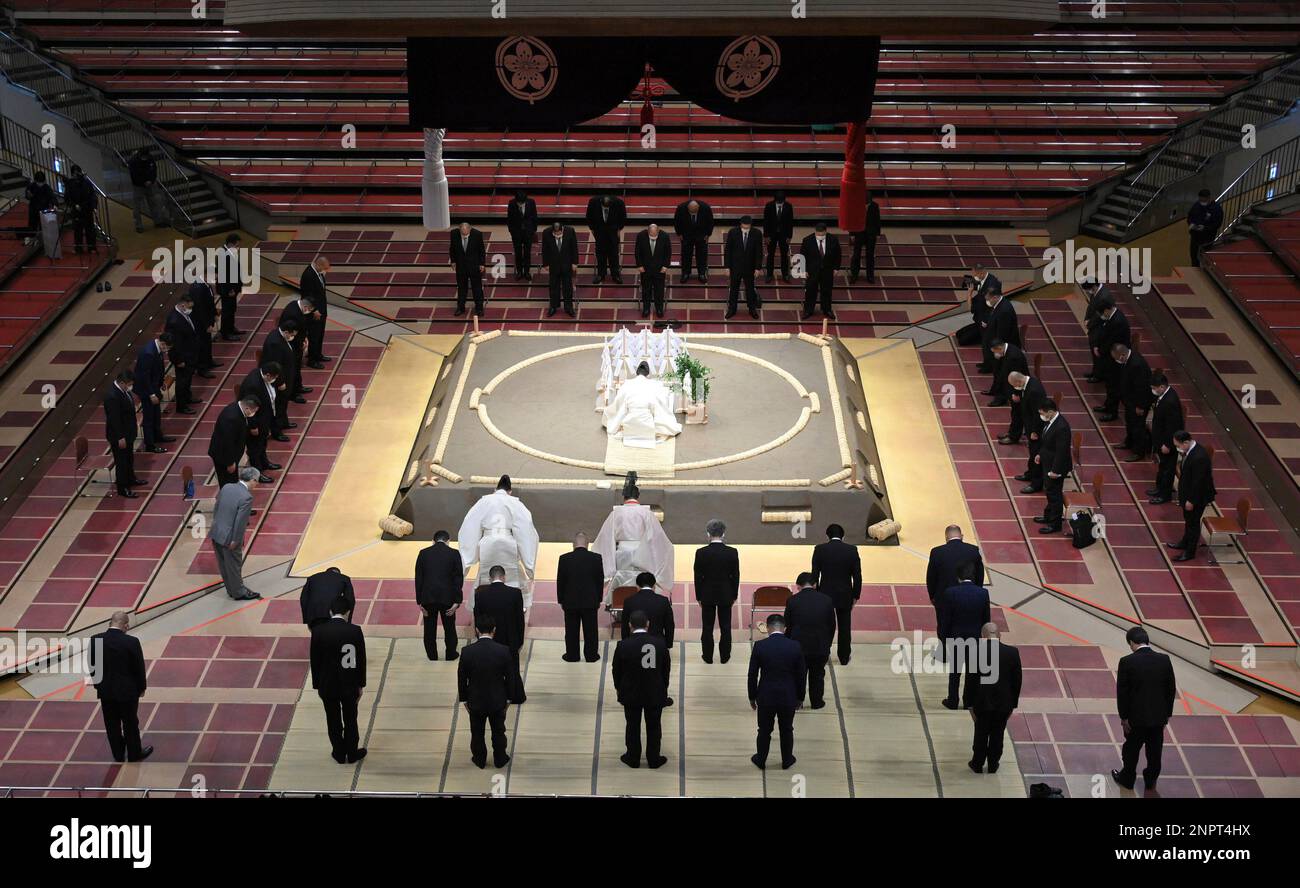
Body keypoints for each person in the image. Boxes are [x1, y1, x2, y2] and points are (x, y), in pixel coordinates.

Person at [457, 474, 539, 608]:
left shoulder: (484, 501)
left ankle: (484, 605)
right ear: (510, 492)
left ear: (494, 490)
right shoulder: (515, 503)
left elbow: (469, 525)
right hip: (508, 543)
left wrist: (467, 560)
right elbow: (526, 529)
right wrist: (528, 564)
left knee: (486, 574)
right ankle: (515, 605)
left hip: (487, 543)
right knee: (513, 575)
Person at [1111, 627, 1176, 792]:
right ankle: (1150, 781)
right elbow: (1170, 690)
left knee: (1131, 750)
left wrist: (1124, 717)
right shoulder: (1164, 659)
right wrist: (1166, 715)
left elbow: (1122, 693)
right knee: (1155, 752)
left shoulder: (1127, 661)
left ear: (1132, 642)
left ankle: (1127, 779)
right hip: (1157, 718)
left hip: (1136, 718)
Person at [310, 594, 368, 764]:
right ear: (348, 612)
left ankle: (338, 752)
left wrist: (317, 685)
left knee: (333, 719)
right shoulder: (355, 631)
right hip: (349, 683)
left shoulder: (319, 631)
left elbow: (315, 660)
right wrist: (361, 684)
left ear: (330, 611)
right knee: (351, 719)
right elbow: (360, 659)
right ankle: (352, 752)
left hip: (327, 684)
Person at [88, 612, 152, 763]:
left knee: (112, 724)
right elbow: (138, 667)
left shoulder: (95, 640)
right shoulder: (131, 642)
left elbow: (92, 665)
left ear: (110, 623)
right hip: (128, 692)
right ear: (126, 625)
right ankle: (134, 754)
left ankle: (118, 754)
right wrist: (142, 687)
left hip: (106, 691)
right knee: (130, 723)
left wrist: (98, 685)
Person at [592, 483, 675, 600]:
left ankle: (620, 600)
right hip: (642, 551)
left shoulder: (616, 513)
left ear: (624, 496)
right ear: (638, 496)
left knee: (622, 577)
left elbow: (606, 537)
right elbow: (655, 537)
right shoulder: (647, 513)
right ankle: (643, 601)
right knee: (642, 578)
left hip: (622, 552)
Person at [612, 609, 671, 769]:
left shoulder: (623, 645)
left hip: (631, 692)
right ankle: (653, 759)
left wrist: (619, 688)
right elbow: (666, 670)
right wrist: (663, 688)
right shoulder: (660, 644)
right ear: (648, 624)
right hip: (654, 692)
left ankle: (633, 758)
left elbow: (616, 670)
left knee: (632, 726)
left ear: (630, 625)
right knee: (654, 726)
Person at [748, 613, 806, 770]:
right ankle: (787, 760)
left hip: (766, 696)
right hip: (788, 695)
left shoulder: (760, 646)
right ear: (785, 629)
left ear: (767, 628)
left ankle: (761, 759)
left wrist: (752, 697)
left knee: (764, 730)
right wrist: (800, 697)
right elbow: (801, 674)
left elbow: (752, 674)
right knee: (787, 729)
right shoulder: (795, 646)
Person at [963, 622, 1021, 774]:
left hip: (982, 703)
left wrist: (969, 705)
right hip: (1004, 703)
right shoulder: (1012, 653)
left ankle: (977, 763)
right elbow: (1017, 682)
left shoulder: (975, 652)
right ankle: (993, 763)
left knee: (981, 733)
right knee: (998, 733)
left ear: (983, 636)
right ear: (999, 635)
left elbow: (970, 681)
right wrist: (1013, 705)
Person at [457, 613, 512, 769]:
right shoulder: (503, 651)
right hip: (497, 700)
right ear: (494, 630)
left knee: (477, 733)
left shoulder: (467, 651)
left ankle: (479, 759)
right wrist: (508, 699)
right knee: (499, 731)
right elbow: (510, 677)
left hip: (475, 700)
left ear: (476, 630)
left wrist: (464, 700)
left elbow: (461, 678)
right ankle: (500, 758)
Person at [936, 561, 991, 709]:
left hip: (956, 638)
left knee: (955, 672)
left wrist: (943, 638)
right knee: (972, 672)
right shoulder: (983, 593)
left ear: (958, 577)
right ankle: (969, 701)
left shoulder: (951, 593)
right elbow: (986, 619)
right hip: (975, 638)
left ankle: (952, 700)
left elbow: (946, 619)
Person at [473, 565, 527, 704]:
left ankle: (491, 696)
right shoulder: (515, 593)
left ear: (490, 578)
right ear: (504, 577)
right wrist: (520, 641)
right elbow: (520, 620)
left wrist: (480, 638)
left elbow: (477, 618)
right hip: (510, 638)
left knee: (489, 669)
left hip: (489, 637)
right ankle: (515, 695)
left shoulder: (480, 595)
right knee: (512, 669)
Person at [810, 523, 861, 665]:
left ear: (827, 536)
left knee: (824, 626)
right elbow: (857, 576)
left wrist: (816, 594)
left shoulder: (819, 549)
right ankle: (844, 657)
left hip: (825, 594)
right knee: (845, 627)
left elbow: (815, 574)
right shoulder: (852, 550)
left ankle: (824, 653)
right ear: (843, 536)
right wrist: (856, 595)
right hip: (845, 594)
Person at [783, 573, 835, 709]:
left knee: (798, 674)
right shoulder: (827, 600)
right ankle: (817, 702)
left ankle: (797, 701)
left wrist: (788, 644)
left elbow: (787, 625)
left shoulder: (792, 601)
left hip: (798, 645)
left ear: (798, 586)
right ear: (815, 585)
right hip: (820, 645)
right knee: (817, 675)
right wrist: (827, 644)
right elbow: (832, 625)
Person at [209, 466, 261, 601]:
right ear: (252, 480)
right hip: (230, 537)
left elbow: (217, 508)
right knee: (234, 565)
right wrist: (235, 540)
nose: (257, 484)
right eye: (257, 481)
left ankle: (231, 589)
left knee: (223, 564)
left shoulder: (226, 487)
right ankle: (239, 592)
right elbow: (240, 522)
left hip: (217, 532)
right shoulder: (246, 497)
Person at [693, 519, 739, 664]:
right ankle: (725, 657)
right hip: (726, 594)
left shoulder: (701, 552)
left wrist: (698, 596)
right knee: (726, 627)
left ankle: (707, 657)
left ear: (708, 533)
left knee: (707, 627)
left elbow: (698, 576)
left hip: (707, 594)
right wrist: (734, 595)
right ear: (724, 533)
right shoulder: (732, 552)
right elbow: (735, 575)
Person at [601, 361, 682, 444]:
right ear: (648, 374)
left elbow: (618, 402)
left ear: (637, 373)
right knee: (659, 411)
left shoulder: (627, 384)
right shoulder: (655, 384)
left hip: (630, 423)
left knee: (618, 412)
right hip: (648, 424)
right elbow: (662, 401)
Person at [415, 530, 464, 661]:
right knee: (450, 629)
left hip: (428, 599)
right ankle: (451, 654)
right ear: (448, 541)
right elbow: (458, 579)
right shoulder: (454, 554)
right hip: (448, 599)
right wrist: (457, 601)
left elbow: (419, 578)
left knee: (429, 630)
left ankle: (432, 656)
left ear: (433, 540)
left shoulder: (423, 553)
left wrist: (420, 602)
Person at [1168, 431, 1215, 562]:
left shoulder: (1199, 457)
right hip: (1189, 492)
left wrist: (1191, 500)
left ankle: (1190, 552)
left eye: (1178, 445)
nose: (1178, 448)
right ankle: (1185, 542)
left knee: (1193, 523)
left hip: (1197, 498)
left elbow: (1198, 483)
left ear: (1186, 442)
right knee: (1188, 520)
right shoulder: (1190, 451)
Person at [556, 532, 603, 663]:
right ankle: (591, 655)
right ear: (587, 544)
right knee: (591, 630)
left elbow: (560, 581)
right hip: (590, 600)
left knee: (571, 630)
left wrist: (561, 600)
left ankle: (572, 655)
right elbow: (600, 580)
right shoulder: (596, 558)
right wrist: (599, 599)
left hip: (570, 600)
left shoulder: (564, 558)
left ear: (573, 545)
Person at [103, 370, 145, 499]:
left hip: (129, 432)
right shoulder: (112, 396)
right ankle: (123, 487)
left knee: (129, 458)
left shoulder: (124, 391)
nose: (130, 387)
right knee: (121, 462)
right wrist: (120, 437)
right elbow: (114, 419)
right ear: (122, 382)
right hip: (119, 436)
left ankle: (131, 478)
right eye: (129, 384)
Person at [1033, 399, 1072, 534]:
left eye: (1042, 413)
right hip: (1048, 461)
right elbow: (1047, 443)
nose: (1041, 415)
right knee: (1050, 491)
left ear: (1050, 412)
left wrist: (1055, 470)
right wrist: (1040, 454)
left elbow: (1062, 451)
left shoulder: (1061, 427)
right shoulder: (1050, 422)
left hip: (1056, 467)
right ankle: (1048, 516)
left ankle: (1055, 524)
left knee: (1054, 494)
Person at [1005, 371, 1048, 494]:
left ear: (1019, 381)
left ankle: (1036, 484)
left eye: (1015, 385)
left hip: (1036, 429)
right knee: (1032, 453)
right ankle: (1030, 474)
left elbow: (1038, 413)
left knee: (1036, 455)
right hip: (1030, 425)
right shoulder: (1028, 383)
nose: (1015, 388)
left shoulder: (1034, 390)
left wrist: (1035, 431)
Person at [238, 362, 282, 480]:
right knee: (255, 448)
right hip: (256, 422)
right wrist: (253, 426)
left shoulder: (261, 375)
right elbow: (249, 407)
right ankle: (257, 473)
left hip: (264, 417)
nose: (275, 380)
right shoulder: (253, 384)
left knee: (262, 443)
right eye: (274, 377)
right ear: (268, 375)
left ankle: (264, 462)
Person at [925, 525, 984, 614]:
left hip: (944, 598)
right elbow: (980, 574)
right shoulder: (973, 550)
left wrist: (933, 596)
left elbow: (931, 577)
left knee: (944, 625)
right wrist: (977, 591)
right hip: (969, 596)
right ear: (962, 536)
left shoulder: (936, 552)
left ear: (946, 537)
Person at [1110, 342, 1153, 460]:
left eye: (1117, 358)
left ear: (1122, 355)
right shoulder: (1128, 360)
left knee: (1138, 426)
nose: (1117, 361)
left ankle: (1139, 452)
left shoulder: (1136, 364)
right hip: (1130, 400)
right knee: (1129, 421)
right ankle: (1129, 442)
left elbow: (1142, 388)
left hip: (1139, 402)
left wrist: (1140, 406)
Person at [1146, 373, 1184, 505]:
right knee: (1163, 466)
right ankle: (1160, 488)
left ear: (1162, 387)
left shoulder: (1170, 401)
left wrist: (1168, 444)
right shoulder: (1164, 396)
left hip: (1168, 442)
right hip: (1161, 439)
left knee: (1168, 468)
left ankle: (1165, 494)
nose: (1153, 390)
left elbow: (1173, 426)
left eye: (1154, 388)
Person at [132, 332, 172, 454]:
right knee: (149, 417)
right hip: (147, 390)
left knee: (156, 414)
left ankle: (157, 436)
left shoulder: (157, 349)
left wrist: (161, 381)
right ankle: (150, 444)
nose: (167, 350)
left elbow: (157, 369)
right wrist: (151, 394)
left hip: (154, 386)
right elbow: (144, 376)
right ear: (162, 343)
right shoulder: (149, 353)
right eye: (167, 347)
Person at [208, 396, 258, 487]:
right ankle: (228, 499)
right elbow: (227, 442)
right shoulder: (231, 418)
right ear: (247, 408)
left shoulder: (237, 408)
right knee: (228, 482)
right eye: (253, 411)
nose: (253, 413)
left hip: (229, 454)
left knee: (232, 480)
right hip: (223, 456)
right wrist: (230, 462)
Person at [163, 293, 199, 416]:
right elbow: (173, 344)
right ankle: (181, 406)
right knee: (182, 382)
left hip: (189, 353)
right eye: (189, 307)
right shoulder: (174, 321)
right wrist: (178, 360)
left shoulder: (183, 314)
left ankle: (187, 397)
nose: (191, 309)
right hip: (182, 357)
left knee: (188, 378)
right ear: (183, 305)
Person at [1089, 297, 1130, 398]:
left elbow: (1111, 340)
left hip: (1115, 355)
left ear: (1107, 310)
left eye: (1103, 313)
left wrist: (1100, 350)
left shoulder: (1117, 321)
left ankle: (1111, 410)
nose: (1102, 316)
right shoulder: (1113, 316)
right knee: (1109, 382)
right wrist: (1097, 345)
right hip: (1108, 351)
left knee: (1112, 383)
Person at [621, 572, 675, 648]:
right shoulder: (663, 601)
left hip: (634, 644)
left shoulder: (629, 601)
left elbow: (625, 626)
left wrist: (626, 643)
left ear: (637, 586)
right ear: (654, 586)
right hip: (658, 644)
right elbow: (669, 625)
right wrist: (668, 644)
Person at [799, 222, 841, 320]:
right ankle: (808, 310)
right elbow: (802, 256)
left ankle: (827, 310)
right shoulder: (807, 240)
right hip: (812, 271)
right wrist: (803, 270)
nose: (820, 237)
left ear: (826, 232)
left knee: (826, 291)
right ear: (815, 232)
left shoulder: (833, 240)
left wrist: (836, 268)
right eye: (818, 235)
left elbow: (837, 255)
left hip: (827, 270)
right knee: (810, 291)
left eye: (822, 235)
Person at [724, 216, 763, 320]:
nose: (746, 228)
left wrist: (758, 268)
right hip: (735, 267)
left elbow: (759, 252)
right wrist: (727, 267)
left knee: (750, 289)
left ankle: (752, 309)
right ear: (740, 224)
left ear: (751, 225)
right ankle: (732, 309)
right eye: (744, 226)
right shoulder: (733, 232)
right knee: (734, 289)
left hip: (750, 268)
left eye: (748, 226)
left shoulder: (757, 233)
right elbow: (728, 250)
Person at [279, 298, 316, 401]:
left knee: (297, 368)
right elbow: (292, 332)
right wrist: (301, 343)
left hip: (297, 343)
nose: (308, 312)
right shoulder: (293, 314)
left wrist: (304, 339)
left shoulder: (295, 305)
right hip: (291, 345)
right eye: (309, 310)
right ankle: (293, 394)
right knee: (292, 370)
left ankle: (298, 387)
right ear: (305, 307)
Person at [262, 320, 301, 418]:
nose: (293, 337)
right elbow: (275, 366)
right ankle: (279, 426)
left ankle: (284, 421)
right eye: (292, 335)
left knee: (284, 403)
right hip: (281, 378)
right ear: (286, 332)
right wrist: (280, 381)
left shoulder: (280, 336)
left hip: (287, 373)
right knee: (280, 402)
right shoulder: (275, 343)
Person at [585, 194, 627, 284]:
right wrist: (592, 229)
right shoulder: (593, 202)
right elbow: (588, 216)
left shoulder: (619, 203)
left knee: (614, 255)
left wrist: (619, 228)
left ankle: (615, 275)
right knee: (600, 255)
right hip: (599, 232)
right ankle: (601, 275)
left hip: (613, 233)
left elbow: (623, 217)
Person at [634, 222, 672, 319]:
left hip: (659, 269)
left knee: (659, 290)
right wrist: (639, 265)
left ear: (658, 231)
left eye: (655, 235)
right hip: (645, 269)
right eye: (651, 235)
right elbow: (637, 251)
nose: (653, 237)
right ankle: (646, 308)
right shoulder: (641, 236)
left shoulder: (665, 236)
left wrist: (665, 266)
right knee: (646, 290)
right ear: (648, 231)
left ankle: (659, 309)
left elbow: (668, 252)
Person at [541, 220, 579, 318]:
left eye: (559, 233)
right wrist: (545, 264)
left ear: (562, 229)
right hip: (553, 265)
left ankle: (568, 307)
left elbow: (574, 247)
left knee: (567, 287)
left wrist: (575, 262)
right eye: (555, 233)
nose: (557, 234)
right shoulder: (546, 232)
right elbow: (544, 249)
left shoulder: (570, 231)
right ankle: (553, 306)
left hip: (567, 264)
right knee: (553, 287)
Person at [450, 221, 488, 317]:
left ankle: (479, 308)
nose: (464, 235)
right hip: (461, 266)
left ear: (470, 230)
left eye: (466, 233)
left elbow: (481, 250)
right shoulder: (454, 234)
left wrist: (482, 263)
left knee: (477, 288)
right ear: (460, 230)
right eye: (462, 233)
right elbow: (452, 248)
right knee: (462, 288)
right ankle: (460, 308)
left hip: (474, 266)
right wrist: (453, 261)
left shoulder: (477, 234)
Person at [978, 286, 1019, 375]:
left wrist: (997, 348)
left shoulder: (1004, 310)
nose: (987, 301)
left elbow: (1003, 333)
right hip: (992, 331)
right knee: (986, 345)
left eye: (988, 299)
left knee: (990, 348)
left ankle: (990, 367)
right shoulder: (998, 303)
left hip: (998, 337)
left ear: (995, 297)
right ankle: (987, 364)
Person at [299, 256, 332, 365]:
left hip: (322, 310)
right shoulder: (308, 275)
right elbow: (306, 296)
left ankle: (318, 354)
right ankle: (312, 360)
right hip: (314, 312)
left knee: (320, 334)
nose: (325, 271)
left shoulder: (319, 273)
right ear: (319, 265)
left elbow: (320, 292)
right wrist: (315, 310)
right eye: (325, 268)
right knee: (314, 335)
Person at [128, 146, 169, 232]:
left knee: (153, 203)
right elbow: (134, 175)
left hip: (150, 184)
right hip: (138, 186)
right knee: (137, 206)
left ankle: (158, 221)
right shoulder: (133, 161)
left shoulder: (150, 158)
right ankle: (138, 226)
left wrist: (151, 180)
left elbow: (154, 170)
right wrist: (144, 182)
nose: (145, 158)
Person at [672, 198, 713, 283]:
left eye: (695, 212)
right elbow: (676, 221)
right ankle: (685, 273)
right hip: (686, 235)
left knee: (702, 255)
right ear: (688, 208)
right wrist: (679, 234)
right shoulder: (681, 208)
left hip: (701, 235)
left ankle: (701, 273)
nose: (693, 214)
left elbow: (710, 222)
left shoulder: (706, 208)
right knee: (686, 255)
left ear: (698, 207)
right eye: (691, 212)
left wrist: (708, 234)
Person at [214, 233, 244, 340]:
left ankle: (231, 328)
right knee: (227, 310)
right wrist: (229, 289)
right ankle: (226, 333)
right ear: (231, 244)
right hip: (227, 289)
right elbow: (223, 275)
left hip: (233, 287)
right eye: (237, 245)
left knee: (232, 309)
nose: (238, 248)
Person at [188, 276, 220, 376]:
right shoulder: (197, 287)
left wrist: (214, 313)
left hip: (207, 320)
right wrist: (206, 325)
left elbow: (210, 302)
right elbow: (199, 309)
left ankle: (209, 362)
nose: (215, 276)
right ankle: (202, 368)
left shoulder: (206, 285)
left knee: (207, 342)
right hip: (200, 323)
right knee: (202, 345)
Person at [848, 191, 882, 284]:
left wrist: (878, 233)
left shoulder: (875, 206)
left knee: (870, 256)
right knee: (856, 255)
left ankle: (870, 276)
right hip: (859, 233)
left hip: (871, 234)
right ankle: (854, 275)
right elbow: (852, 220)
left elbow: (877, 219)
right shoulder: (856, 205)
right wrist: (852, 234)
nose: (868, 204)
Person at [63, 165, 98, 254]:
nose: (76, 175)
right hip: (76, 210)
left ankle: (91, 247)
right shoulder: (70, 184)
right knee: (78, 230)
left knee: (89, 229)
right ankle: (78, 248)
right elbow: (67, 197)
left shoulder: (86, 183)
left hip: (87, 208)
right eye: (74, 174)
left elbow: (92, 195)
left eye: (77, 173)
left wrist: (94, 206)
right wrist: (74, 205)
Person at [762, 191, 795, 283]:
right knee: (770, 255)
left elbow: (790, 222)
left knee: (784, 255)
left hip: (784, 235)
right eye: (778, 202)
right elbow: (766, 221)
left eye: (781, 202)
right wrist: (766, 236)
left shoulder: (788, 206)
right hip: (771, 235)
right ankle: (769, 275)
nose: (780, 204)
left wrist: (789, 236)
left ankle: (785, 275)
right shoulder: (769, 206)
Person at [506, 190, 538, 280]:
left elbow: (535, 216)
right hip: (516, 233)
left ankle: (527, 272)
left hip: (528, 232)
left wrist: (533, 230)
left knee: (527, 253)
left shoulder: (531, 202)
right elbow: (509, 219)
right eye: (518, 203)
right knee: (518, 253)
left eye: (521, 203)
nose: (520, 204)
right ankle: (519, 272)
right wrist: (511, 231)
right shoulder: (512, 203)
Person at [1187, 188, 1223, 267]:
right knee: (1194, 256)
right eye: (1201, 200)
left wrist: (1205, 228)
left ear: (1209, 198)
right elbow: (1190, 216)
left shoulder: (1216, 209)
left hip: (1207, 238)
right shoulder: (1197, 205)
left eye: (1204, 200)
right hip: (1195, 236)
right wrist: (1191, 224)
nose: (1202, 202)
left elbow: (1217, 224)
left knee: (1205, 258)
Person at [985, 339, 1027, 408]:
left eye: (995, 351)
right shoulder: (1007, 348)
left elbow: (1016, 377)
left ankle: (1004, 399)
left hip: (1016, 378)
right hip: (1009, 372)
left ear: (999, 348)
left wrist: (1016, 393)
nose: (995, 354)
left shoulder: (1013, 356)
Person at [966, 266, 1001, 345]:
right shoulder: (986, 280)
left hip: (985, 323)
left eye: (975, 275)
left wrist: (969, 293)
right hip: (980, 319)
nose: (974, 277)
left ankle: (986, 339)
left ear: (981, 273)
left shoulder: (990, 286)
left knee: (962, 340)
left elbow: (971, 309)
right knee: (959, 334)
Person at [23, 171, 55, 237]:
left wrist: (53, 204)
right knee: (32, 227)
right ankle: (32, 240)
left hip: (43, 210)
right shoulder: (31, 186)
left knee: (43, 227)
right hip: (33, 210)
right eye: (38, 182)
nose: (40, 184)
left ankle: (42, 241)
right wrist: (29, 196)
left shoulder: (46, 187)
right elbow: (27, 196)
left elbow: (52, 198)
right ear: (35, 181)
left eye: (41, 182)